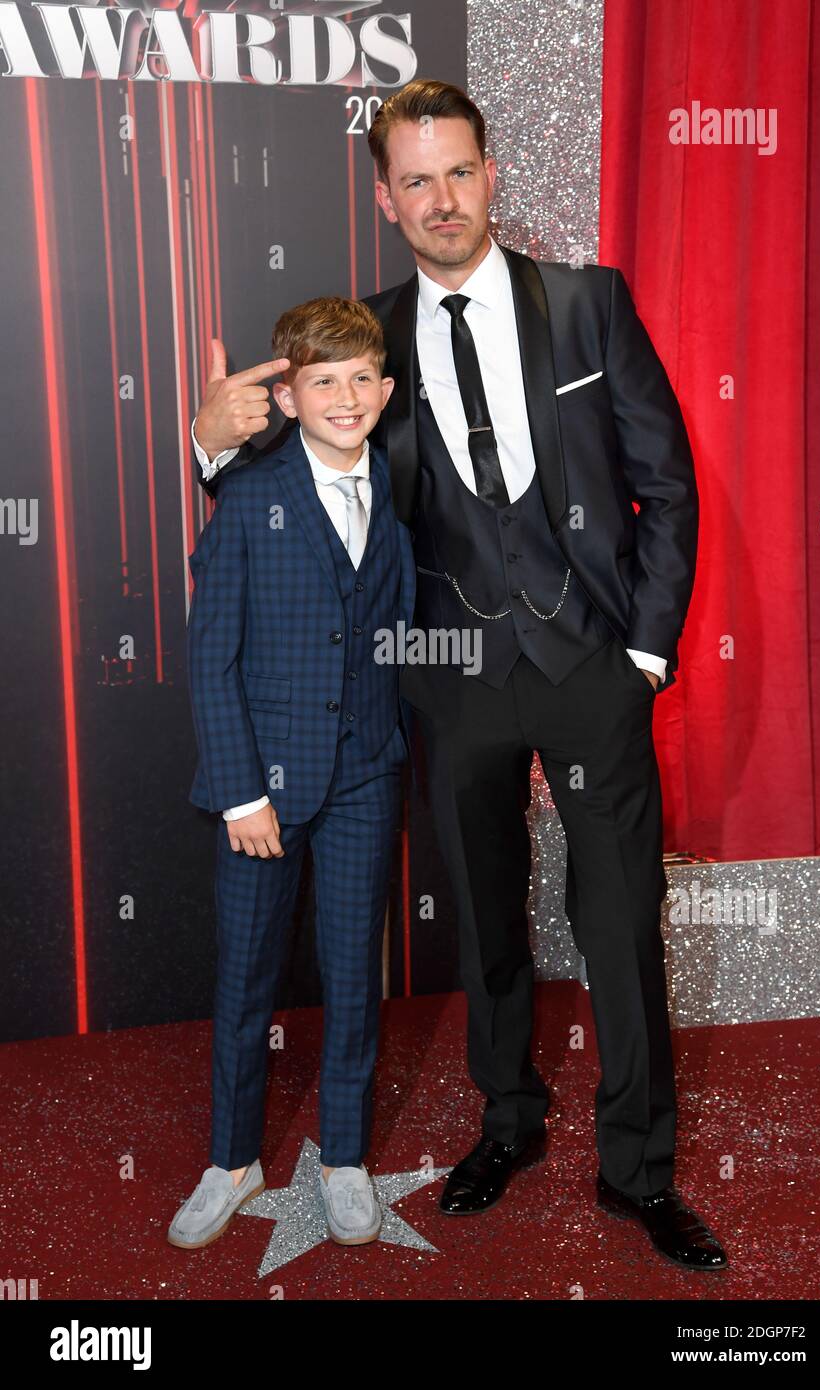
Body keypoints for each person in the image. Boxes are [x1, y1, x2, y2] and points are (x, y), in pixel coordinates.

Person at [188, 80, 728, 1271]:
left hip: (590, 660)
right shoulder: (362, 341)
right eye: (415, 179)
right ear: (386, 197)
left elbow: (668, 481)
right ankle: (508, 1123)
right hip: (450, 672)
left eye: (459, 171)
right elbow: (274, 489)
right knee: (484, 919)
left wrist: (642, 650)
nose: (441, 198)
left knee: (619, 922)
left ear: (492, 174)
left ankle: (639, 1169)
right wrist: (211, 438)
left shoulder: (588, 306)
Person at [168, 296, 415, 1250]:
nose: (345, 397)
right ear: (290, 395)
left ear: (385, 391)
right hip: (261, 790)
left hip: (364, 775)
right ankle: (234, 1160)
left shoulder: (392, 484)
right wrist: (239, 791)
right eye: (322, 381)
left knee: (355, 975)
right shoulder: (249, 499)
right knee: (246, 982)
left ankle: (346, 1155)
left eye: (361, 380)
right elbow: (210, 655)